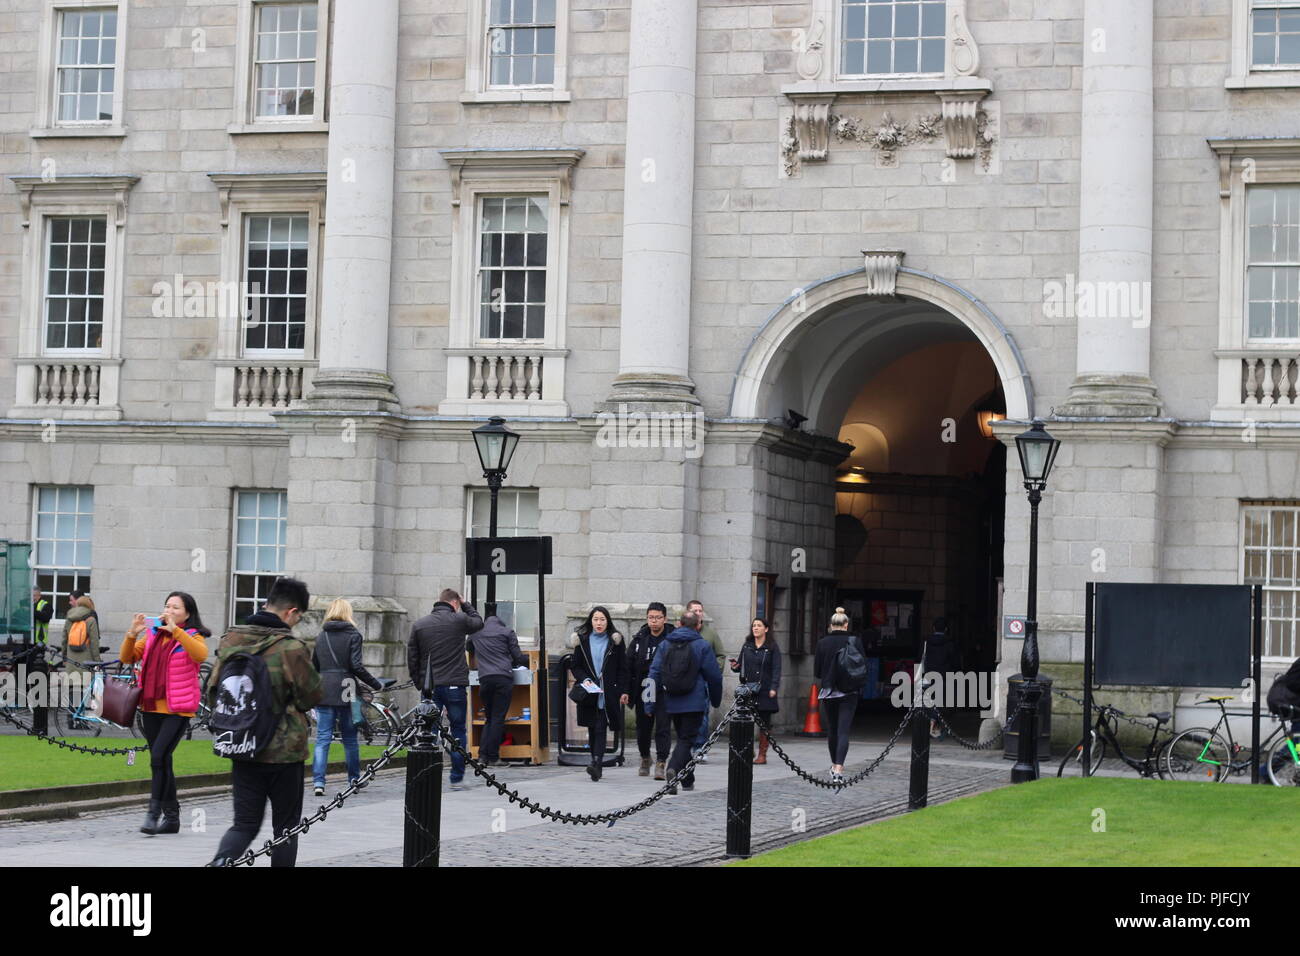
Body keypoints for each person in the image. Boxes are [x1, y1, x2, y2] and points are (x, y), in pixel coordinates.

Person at [209, 577, 321, 867]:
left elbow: (213, 690)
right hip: (284, 750)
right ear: (291, 612)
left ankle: (221, 862)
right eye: (299, 617)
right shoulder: (290, 648)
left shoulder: (231, 640)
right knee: (285, 828)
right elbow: (310, 696)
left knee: (244, 824)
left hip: (242, 743)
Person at [119, 591, 210, 836]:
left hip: (177, 709)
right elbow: (127, 657)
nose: (169, 611)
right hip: (150, 706)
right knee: (163, 761)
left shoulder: (191, 636)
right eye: (167, 606)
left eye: (176, 608)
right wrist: (132, 633)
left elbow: (200, 655)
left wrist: (176, 631)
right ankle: (172, 819)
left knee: (158, 756)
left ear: (187, 614)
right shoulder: (152, 634)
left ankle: (153, 813)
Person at [311, 598, 389, 797]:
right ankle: (353, 779)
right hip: (346, 688)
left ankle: (319, 782)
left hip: (324, 689)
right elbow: (356, 666)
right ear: (347, 613)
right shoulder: (353, 635)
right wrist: (376, 684)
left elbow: (314, 667)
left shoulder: (321, 636)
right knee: (350, 739)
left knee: (322, 739)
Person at [407, 588, 483, 789]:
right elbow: (478, 622)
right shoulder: (458, 620)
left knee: (427, 732)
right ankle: (457, 777)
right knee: (458, 730)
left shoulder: (420, 625)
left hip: (429, 687)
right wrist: (466, 605)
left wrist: (418, 682)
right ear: (455, 603)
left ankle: (428, 775)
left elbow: (412, 658)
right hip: (454, 684)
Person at [648, 608, 722, 793]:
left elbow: (653, 675)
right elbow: (714, 676)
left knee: (683, 740)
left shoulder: (665, 644)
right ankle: (673, 769)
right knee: (686, 741)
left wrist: (648, 703)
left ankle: (688, 780)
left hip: (671, 701)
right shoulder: (702, 646)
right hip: (694, 702)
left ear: (679, 624)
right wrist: (715, 700)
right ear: (698, 626)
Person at [567, 606, 628, 781]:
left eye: (602, 619)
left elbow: (623, 668)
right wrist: (584, 679)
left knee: (601, 726)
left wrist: (623, 690)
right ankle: (596, 763)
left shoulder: (615, 641)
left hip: (608, 691)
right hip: (588, 692)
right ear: (591, 621)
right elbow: (575, 665)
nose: (599, 623)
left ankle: (596, 761)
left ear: (607, 621)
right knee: (592, 727)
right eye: (596, 619)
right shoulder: (582, 640)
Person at [469, 605, 528, 767]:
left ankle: (482, 756)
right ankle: (493, 757)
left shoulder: (476, 634)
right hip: (503, 678)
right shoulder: (507, 632)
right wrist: (530, 662)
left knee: (489, 718)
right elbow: (518, 657)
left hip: (485, 680)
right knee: (497, 719)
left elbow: (469, 648)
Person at [813, 607, 866, 784]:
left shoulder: (822, 643)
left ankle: (833, 763)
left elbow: (818, 671)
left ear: (831, 625)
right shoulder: (854, 641)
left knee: (832, 729)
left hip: (829, 691)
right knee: (844, 730)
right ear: (846, 624)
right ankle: (838, 767)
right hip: (849, 691)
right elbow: (862, 666)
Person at [626, 602, 672, 778]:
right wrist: (626, 691)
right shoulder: (640, 639)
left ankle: (661, 761)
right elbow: (628, 664)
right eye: (651, 617)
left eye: (658, 618)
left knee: (663, 726)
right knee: (643, 728)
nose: (654, 621)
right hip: (644, 688)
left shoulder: (671, 638)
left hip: (663, 689)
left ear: (665, 619)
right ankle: (645, 757)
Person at [730, 617, 782, 764]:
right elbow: (740, 665)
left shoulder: (772, 647)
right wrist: (735, 666)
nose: (756, 628)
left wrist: (774, 687)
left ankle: (762, 754)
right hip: (748, 689)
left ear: (766, 629)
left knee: (764, 722)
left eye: (759, 626)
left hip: (765, 689)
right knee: (746, 719)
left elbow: (777, 668)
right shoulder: (747, 646)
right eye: (754, 626)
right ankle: (747, 748)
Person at [686, 599, 726, 762]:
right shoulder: (683, 632)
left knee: (702, 715)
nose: (698, 613)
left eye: (700, 611)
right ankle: (686, 745)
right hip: (686, 681)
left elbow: (721, 655)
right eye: (694, 611)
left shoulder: (710, 634)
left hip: (704, 681)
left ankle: (700, 747)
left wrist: (712, 671)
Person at [921, 617, 956, 740]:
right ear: (946, 629)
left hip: (929, 675)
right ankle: (937, 727)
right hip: (944, 675)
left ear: (933, 628)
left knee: (928, 702)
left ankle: (931, 723)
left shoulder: (927, 642)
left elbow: (922, 658)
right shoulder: (949, 643)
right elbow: (953, 660)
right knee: (942, 703)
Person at [62, 595, 101, 665]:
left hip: (71, 661)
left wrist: (64, 656)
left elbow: (64, 640)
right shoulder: (91, 620)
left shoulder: (69, 618)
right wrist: (97, 660)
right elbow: (94, 642)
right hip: (86, 662)